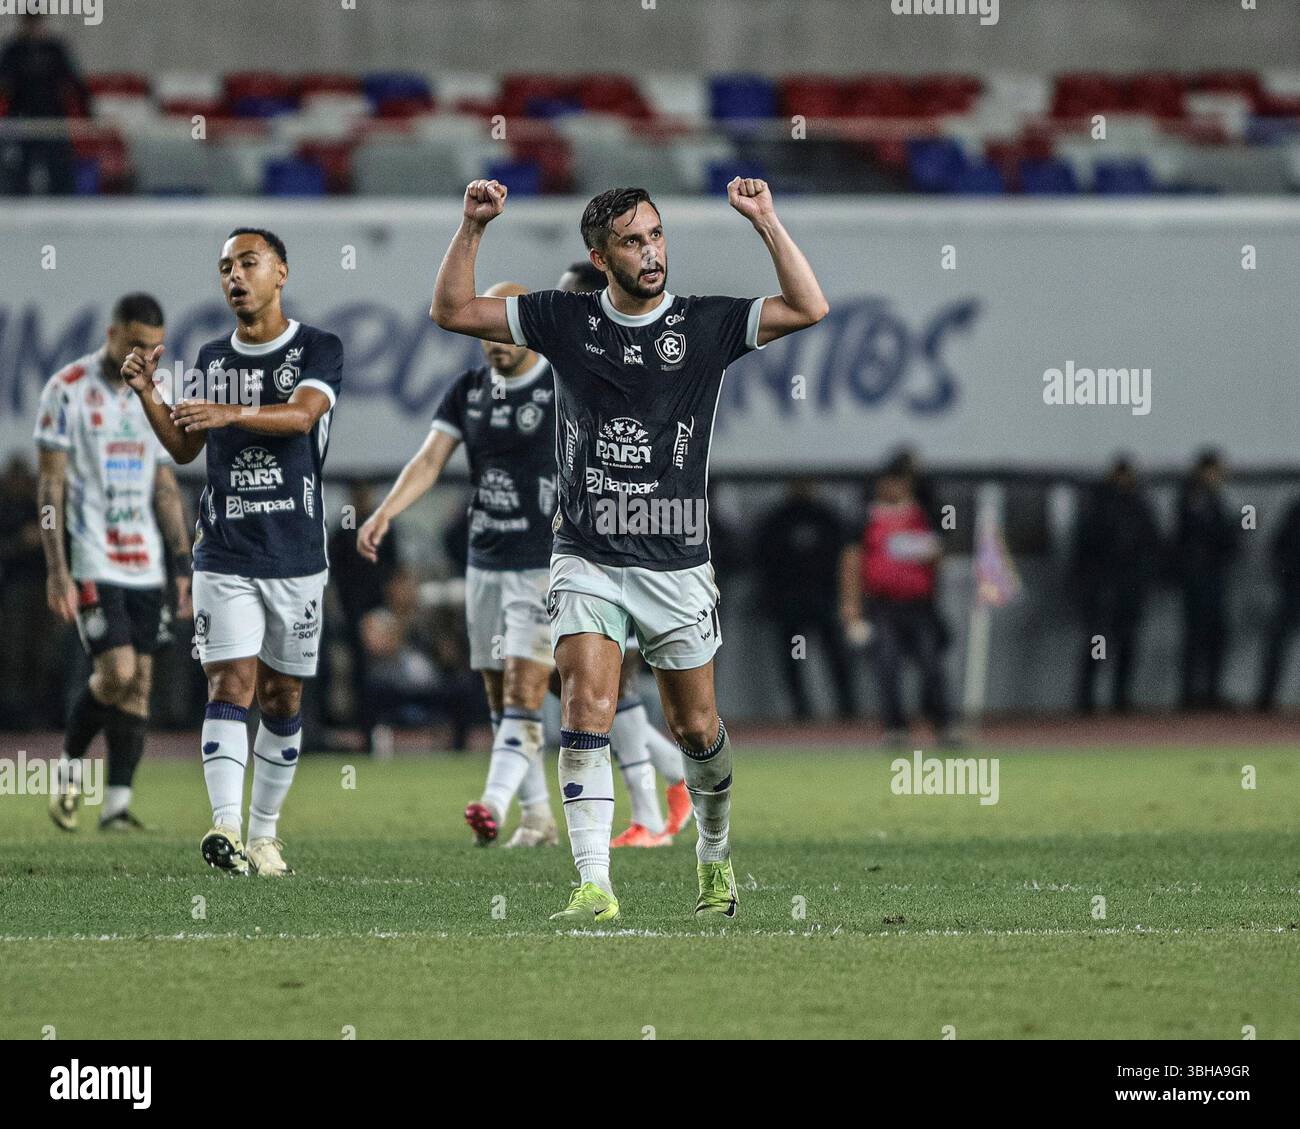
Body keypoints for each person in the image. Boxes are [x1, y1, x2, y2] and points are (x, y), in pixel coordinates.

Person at [431, 177, 828, 921]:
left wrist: (767, 221)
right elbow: (453, 310)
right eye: (632, 241)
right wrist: (473, 227)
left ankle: (714, 853)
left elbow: (809, 306)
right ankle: (593, 884)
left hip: (677, 562)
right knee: (586, 701)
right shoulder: (563, 319)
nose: (650, 252)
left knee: (697, 728)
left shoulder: (704, 324)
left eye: (655, 235)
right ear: (599, 254)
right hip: (586, 554)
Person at [121, 228, 343, 877]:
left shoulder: (316, 347)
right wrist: (149, 396)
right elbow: (187, 447)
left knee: (281, 697)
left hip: (297, 552)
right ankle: (225, 827)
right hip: (224, 549)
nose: (235, 276)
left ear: (280, 271)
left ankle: (266, 834)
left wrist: (229, 412)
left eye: (248, 262)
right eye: (225, 267)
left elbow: (302, 417)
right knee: (230, 683)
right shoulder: (212, 355)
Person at [358, 282, 562, 848]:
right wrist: (385, 513)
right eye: (484, 334)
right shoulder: (468, 391)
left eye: (503, 332)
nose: (493, 343)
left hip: (542, 565)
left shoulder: (561, 387)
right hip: (485, 564)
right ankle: (539, 818)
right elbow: (428, 461)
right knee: (501, 699)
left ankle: (492, 804)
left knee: (525, 691)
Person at [546, 259, 691, 851]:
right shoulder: (556, 372)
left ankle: (659, 805)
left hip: (640, 546)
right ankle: (663, 794)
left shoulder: (638, 370)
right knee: (585, 688)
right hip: (574, 544)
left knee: (607, 687)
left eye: (567, 305)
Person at [36, 294, 192, 832]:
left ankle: (117, 807)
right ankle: (70, 766)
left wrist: (181, 561)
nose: (145, 356)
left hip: (144, 561)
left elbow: (163, 484)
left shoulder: (153, 392)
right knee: (117, 671)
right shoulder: (67, 390)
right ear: (111, 334)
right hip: (92, 558)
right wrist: (57, 568)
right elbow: (50, 485)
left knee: (142, 680)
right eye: (136, 345)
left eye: (154, 348)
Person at [841, 457, 958, 747]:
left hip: (920, 606)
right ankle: (895, 727)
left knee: (931, 664)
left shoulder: (926, 515)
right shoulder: (865, 518)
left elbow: (940, 557)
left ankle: (942, 724)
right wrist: (851, 609)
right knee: (887, 664)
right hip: (883, 606)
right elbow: (852, 564)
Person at [753, 477, 856, 720]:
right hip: (791, 604)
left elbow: (844, 558)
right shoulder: (779, 520)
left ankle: (848, 710)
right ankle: (802, 712)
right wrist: (772, 598)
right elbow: (765, 561)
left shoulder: (826, 517)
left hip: (822, 600)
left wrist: (841, 597)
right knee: (794, 658)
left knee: (835, 656)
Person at [1070, 457, 1162, 713]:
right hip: (1102, 588)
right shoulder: (1098, 506)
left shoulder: (1139, 506)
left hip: (1129, 588)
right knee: (1097, 644)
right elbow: (1084, 550)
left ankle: (1120, 697)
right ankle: (1087, 699)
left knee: (1126, 644)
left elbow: (1152, 544)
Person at [1174, 450, 1237, 710]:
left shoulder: (1212, 497)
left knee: (1214, 636)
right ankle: (1191, 695)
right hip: (1198, 578)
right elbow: (1203, 532)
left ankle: (1209, 692)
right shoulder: (1195, 496)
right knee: (1197, 636)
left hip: (1212, 577)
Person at [0, 13, 85, 195]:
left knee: (60, 171)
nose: (34, 27)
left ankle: (63, 211)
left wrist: (88, 115)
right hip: (22, 118)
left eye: (37, 22)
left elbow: (75, 83)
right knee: (16, 172)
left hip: (52, 118)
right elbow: (4, 83)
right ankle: (16, 211)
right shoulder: (14, 50)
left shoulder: (54, 49)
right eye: (30, 22)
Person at [1255, 492, 1300, 712]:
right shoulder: (1294, 511)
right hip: (1293, 590)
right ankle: (1265, 698)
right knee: (1277, 645)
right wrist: (1286, 576)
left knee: (1277, 644)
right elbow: (1279, 547)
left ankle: (1265, 697)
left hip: (1291, 589)